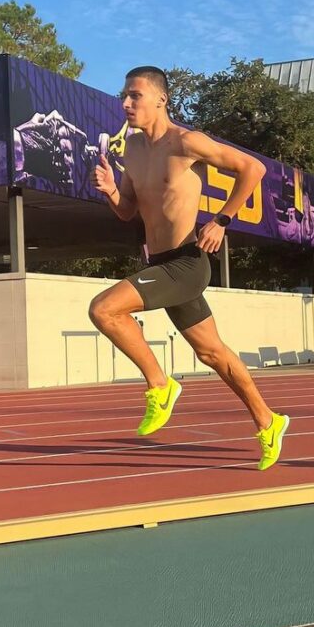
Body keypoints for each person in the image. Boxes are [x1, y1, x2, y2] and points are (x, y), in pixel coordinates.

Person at [88, 66, 290, 470]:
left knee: (104, 309)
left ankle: (160, 386)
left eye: (135, 96)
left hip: (187, 261)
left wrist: (222, 220)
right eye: (124, 97)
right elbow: (128, 212)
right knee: (213, 353)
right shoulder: (132, 152)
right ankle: (269, 421)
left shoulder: (187, 142)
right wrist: (111, 189)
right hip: (159, 263)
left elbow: (255, 170)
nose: (126, 104)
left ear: (160, 99)